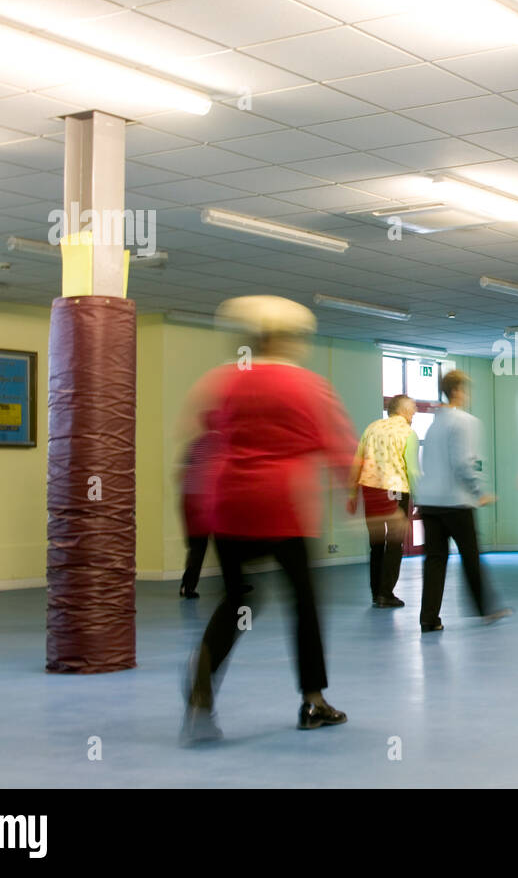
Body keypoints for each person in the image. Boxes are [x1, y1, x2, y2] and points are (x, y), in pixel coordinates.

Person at [181, 296, 358, 743]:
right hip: (284, 508)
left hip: (228, 505)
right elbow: (340, 449)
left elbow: (201, 435)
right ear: (287, 338)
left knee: (238, 598)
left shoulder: (223, 381)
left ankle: (204, 675)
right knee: (304, 602)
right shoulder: (307, 386)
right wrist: (364, 508)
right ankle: (313, 701)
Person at [414, 370, 509, 633]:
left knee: (434, 560)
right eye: (466, 390)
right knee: (471, 556)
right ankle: (485, 610)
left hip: (430, 502)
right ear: (457, 391)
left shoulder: (433, 425)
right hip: (455, 502)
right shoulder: (465, 422)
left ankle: (428, 618)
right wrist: (479, 492)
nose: (467, 395)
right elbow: (465, 462)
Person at [348, 395, 420, 608]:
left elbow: (357, 461)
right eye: (413, 410)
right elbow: (412, 470)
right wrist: (419, 496)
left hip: (369, 489)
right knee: (395, 542)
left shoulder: (372, 428)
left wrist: (352, 493)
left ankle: (375, 592)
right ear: (404, 411)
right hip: (395, 489)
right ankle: (386, 593)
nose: (414, 414)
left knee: (376, 542)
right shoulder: (408, 433)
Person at [177, 430, 216, 599]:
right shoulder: (218, 444)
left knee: (197, 547)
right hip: (201, 502)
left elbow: (181, 475)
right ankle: (188, 586)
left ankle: (188, 586)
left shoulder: (196, 444)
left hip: (191, 501)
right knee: (227, 544)